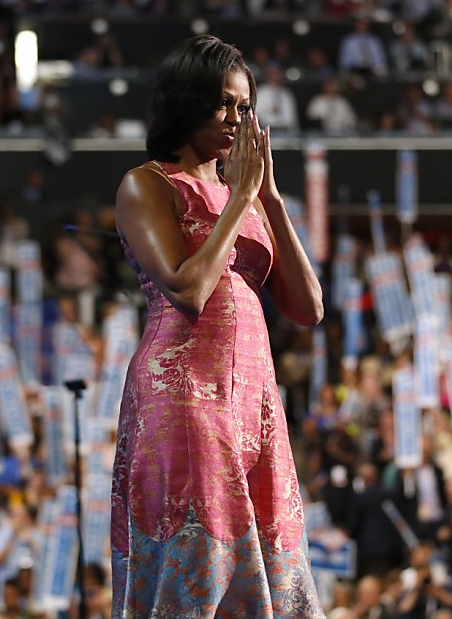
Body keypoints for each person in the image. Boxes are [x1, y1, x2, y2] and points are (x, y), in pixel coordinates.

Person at [110, 35, 325, 618]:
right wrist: (238, 204)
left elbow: (308, 308)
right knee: (198, 566)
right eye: (224, 103)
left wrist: (271, 199)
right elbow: (186, 289)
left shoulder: (250, 197)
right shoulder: (147, 184)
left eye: (244, 107)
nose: (236, 119)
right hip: (183, 394)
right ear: (187, 100)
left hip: (251, 401)